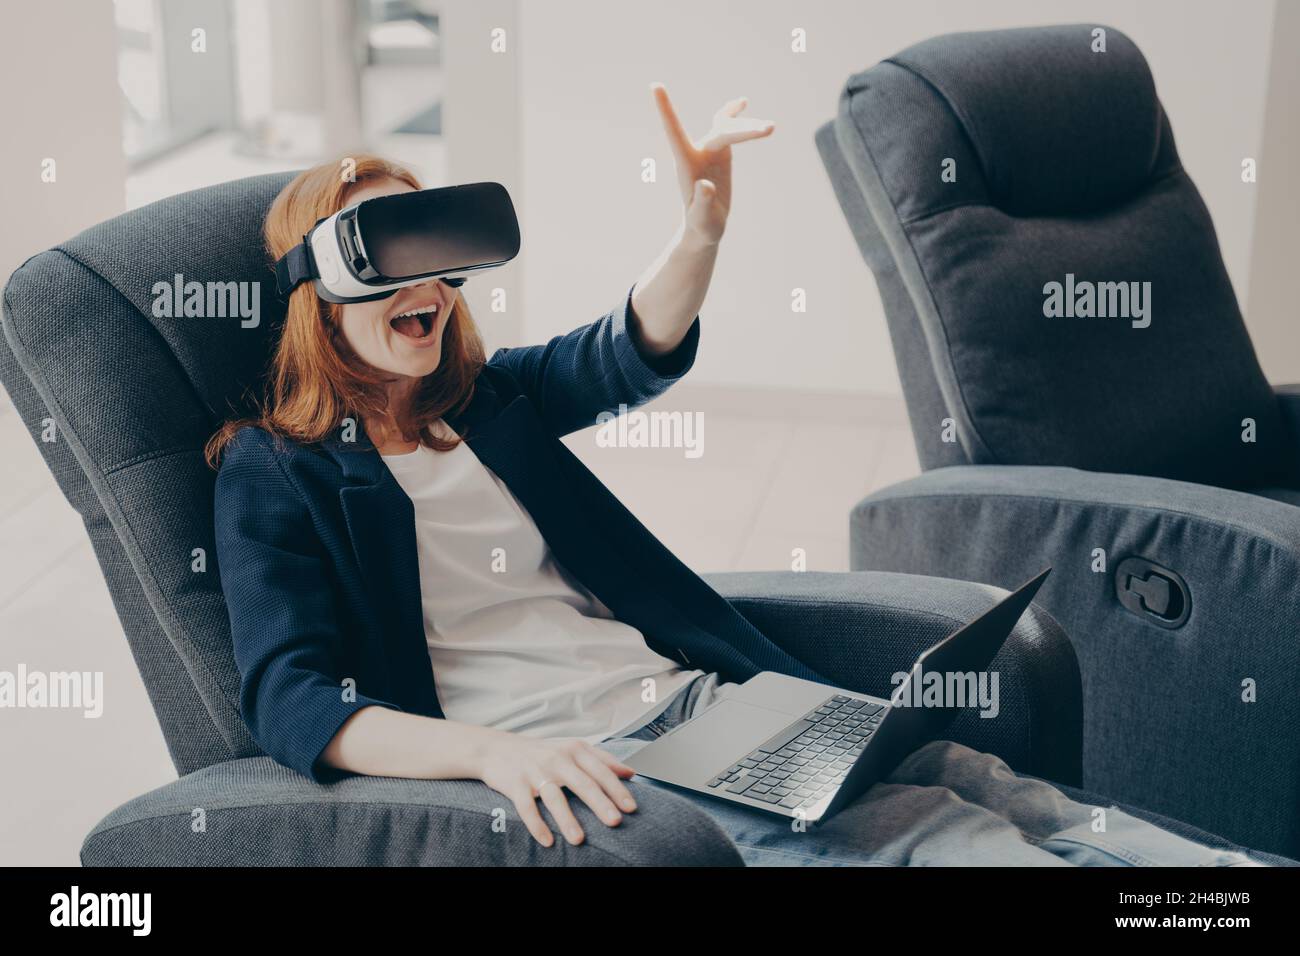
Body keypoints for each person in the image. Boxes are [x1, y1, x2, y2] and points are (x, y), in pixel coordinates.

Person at [210, 85, 1259, 866]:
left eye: (441, 256)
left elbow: (626, 346)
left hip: (707, 709)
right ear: (321, 289)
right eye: (394, 257)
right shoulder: (276, 470)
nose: (432, 287)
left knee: (987, 786)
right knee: (944, 843)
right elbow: (291, 698)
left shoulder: (486, 403)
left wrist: (701, 225)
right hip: (598, 767)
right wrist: (489, 755)